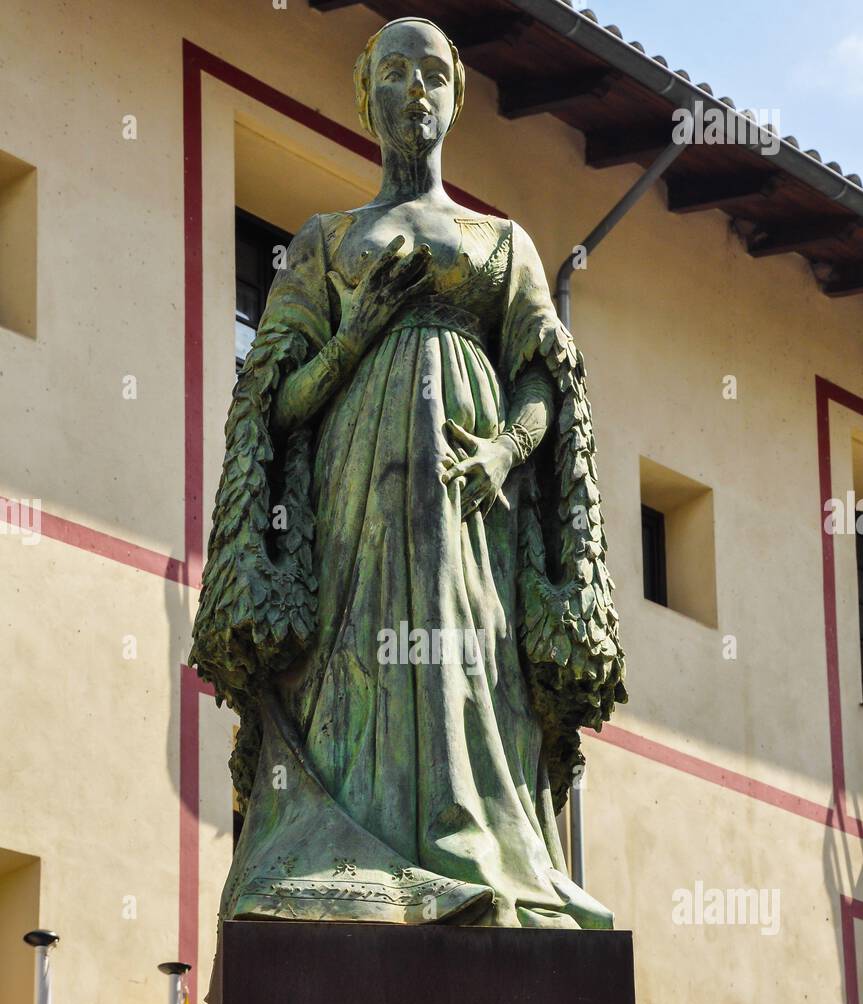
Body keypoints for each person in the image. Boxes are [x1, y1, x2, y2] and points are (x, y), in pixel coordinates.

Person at [190, 17, 626, 929]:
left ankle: (486, 847)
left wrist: (505, 450)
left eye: (433, 73)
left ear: (457, 97)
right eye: (395, 73)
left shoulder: (503, 244)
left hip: (475, 493)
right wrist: (355, 335)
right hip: (355, 483)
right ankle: (352, 852)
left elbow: (547, 378)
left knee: (472, 654)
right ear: (367, 96)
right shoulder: (323, 239)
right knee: (354, 659)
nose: (415, 90)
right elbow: (279, 400)